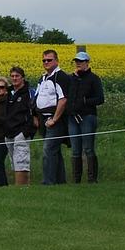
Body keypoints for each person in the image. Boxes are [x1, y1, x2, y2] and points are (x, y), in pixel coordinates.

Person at [68, 52, 105, 183]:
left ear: (87, 63)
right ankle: (76, 179)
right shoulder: (71, 78)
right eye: (76, 61)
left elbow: (100, 98)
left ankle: (92, 179)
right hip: (73, 118)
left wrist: (85, 101)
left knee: (88, 148)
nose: (78, 63)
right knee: (75, 150)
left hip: (88, 116)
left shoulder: (94, 79)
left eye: (81, 61)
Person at [36, 49, 71, 185]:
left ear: (56, 61)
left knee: (48, 150)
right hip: (43, 119)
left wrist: (55, 119)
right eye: (44, 60)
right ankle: (60, 181)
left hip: (55, 120)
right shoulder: (43, 77)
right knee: (55, 152)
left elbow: (63, 99)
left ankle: (48, 182)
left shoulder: (60, 76)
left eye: (49, 60)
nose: (46, 62)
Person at [4, 66, 36, 186]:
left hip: (21, 132)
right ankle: (19, 188)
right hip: (9, 132)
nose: (14, 78)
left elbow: (33, 113)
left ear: (23, 77)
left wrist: (25, 132)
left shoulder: (29, 92)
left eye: (17, 76)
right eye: (12, 76)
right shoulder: (9, 92)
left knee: (21, 162)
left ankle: (22, 188)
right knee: (14, 162)